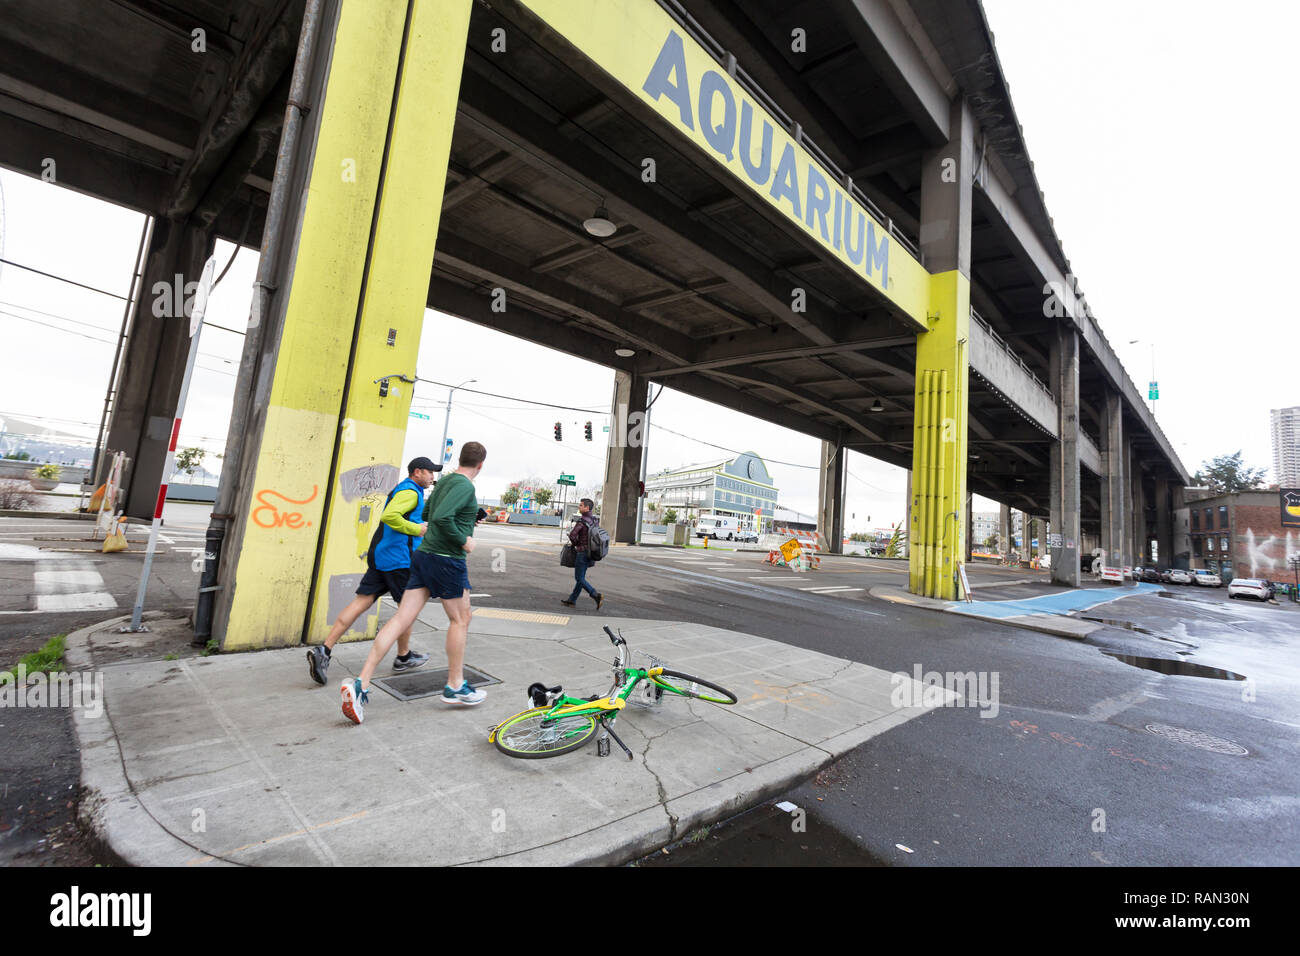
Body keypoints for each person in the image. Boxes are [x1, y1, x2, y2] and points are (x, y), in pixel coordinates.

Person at [341, 442, 488, 723]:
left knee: (400, 619)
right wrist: (464, 540)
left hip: (422, 557)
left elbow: (429, 514)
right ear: (480, 465)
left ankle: (361, 683)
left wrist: (467, 521)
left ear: (461, 458)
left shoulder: (443, 482)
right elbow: (443, 518)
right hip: (447, 559)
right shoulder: (465, 486)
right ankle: (455, 685)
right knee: (461, 619)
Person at [307, 457, 438, 686]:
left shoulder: (402, 489)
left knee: (361, 602)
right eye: (430, 473)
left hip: (381, 556)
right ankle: (403, 657)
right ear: (417, 472)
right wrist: (417, 529)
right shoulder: (411, 492)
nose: (432, 477)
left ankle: (324, 649)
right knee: (407, 611)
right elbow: (389, 516)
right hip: (399, 560)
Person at [560, 497, 603, 610]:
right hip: (592, 553)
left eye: (581, 505)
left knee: (579, 578)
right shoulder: (595, 520)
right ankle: (572, 600)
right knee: (581, 578)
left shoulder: (582, 521)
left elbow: (573, 535)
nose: (579, 507)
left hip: (582, 553)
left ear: (587, 508)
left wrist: (576, 544)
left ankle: (595, 595)